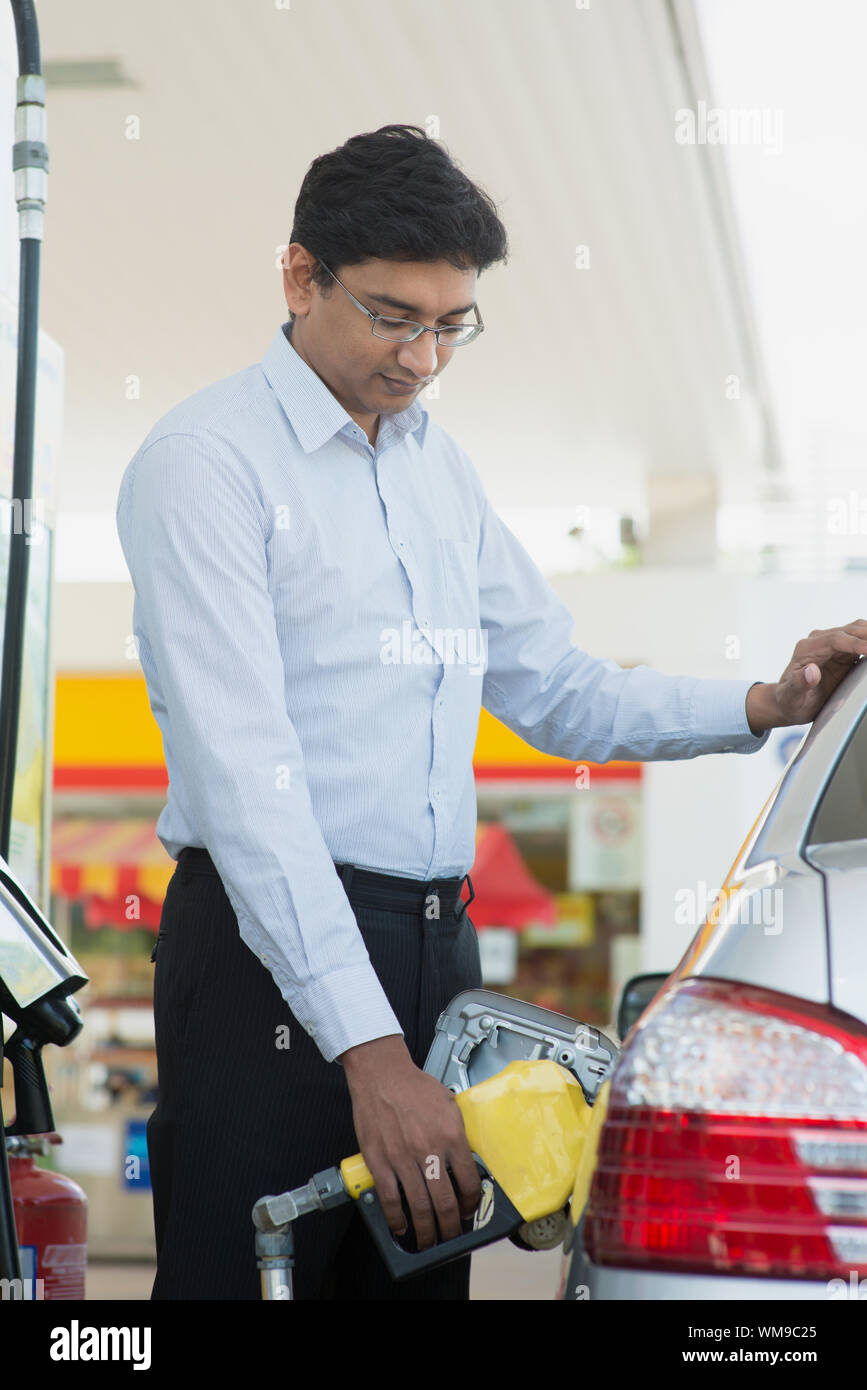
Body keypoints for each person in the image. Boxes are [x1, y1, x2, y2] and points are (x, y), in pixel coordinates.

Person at [115, 122, 867, 1301]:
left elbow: (559, 688)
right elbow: (246, 785)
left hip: (437, 952)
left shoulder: (436, 471)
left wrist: (762, 702)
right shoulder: (206, 465)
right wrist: (369, 1052)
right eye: (391, 315)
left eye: (451, 323)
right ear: (299, 275)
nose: (422, 359)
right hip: (266, 959)